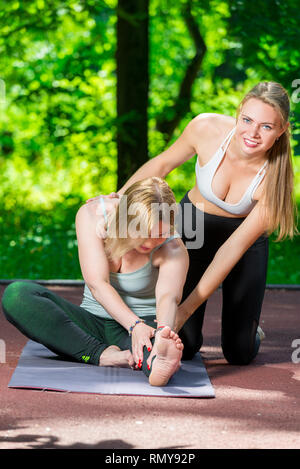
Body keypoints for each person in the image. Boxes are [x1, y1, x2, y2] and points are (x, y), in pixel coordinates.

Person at [91, 81, 297, 365]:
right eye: (247, 120)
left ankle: (251, 329)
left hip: (243, 244)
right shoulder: (206, 128)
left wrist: (185, 311)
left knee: (239, 352)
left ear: (281, 130)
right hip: (193, 224)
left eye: (266, 127)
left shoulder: (275, 181)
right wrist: (121, 202)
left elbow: (232, 249)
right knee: (184, 346)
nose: (252, 133)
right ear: (238, 114)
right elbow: (161, 165)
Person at [2, 177, 189, 386]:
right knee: (17, 295)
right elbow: (97, 284)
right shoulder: (92, 215)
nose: (149, 242)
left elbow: (168, 297)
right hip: (94, 321)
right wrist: (132, 325)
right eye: (143, 232)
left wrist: (163, 331)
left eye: (160, 234)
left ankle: (157, 358)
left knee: (156, 350)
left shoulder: (173, 248)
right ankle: (99, 354)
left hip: (145, 325)